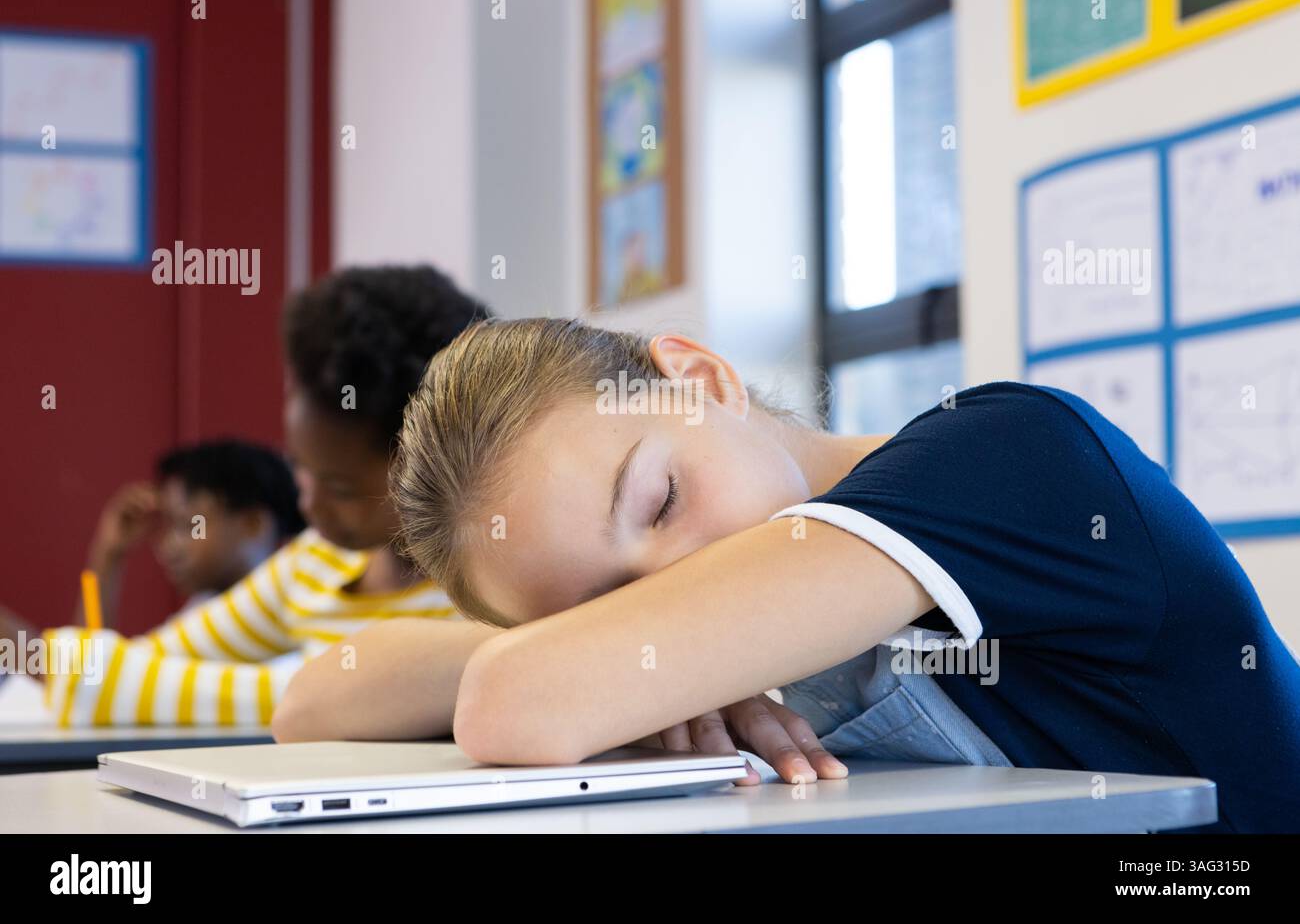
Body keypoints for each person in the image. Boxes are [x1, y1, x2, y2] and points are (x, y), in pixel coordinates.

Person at [376, 317, 1300, 832]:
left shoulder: (1005, 454)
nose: (678, 578)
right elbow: (323, 700)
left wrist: (626, 670)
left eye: (657, 500)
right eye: (607, 607)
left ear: (700, 377)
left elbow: (510, 702)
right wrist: (651, 675)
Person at [39, 266, 497, 731]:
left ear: (438, 465)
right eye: (300, 468)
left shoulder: (488, 594)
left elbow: (349, 699)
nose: (308, 506)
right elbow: (95, 672)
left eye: (340, 488)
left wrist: (309, 696)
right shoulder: (313, 564)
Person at [81, 440, 306, 627]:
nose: (168, 546)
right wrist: (107, 557)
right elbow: (89, 670)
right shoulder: (199, 613)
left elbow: (89, 671)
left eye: (188, 524)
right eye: (166, 526)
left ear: (252, 524)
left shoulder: (294, 619)